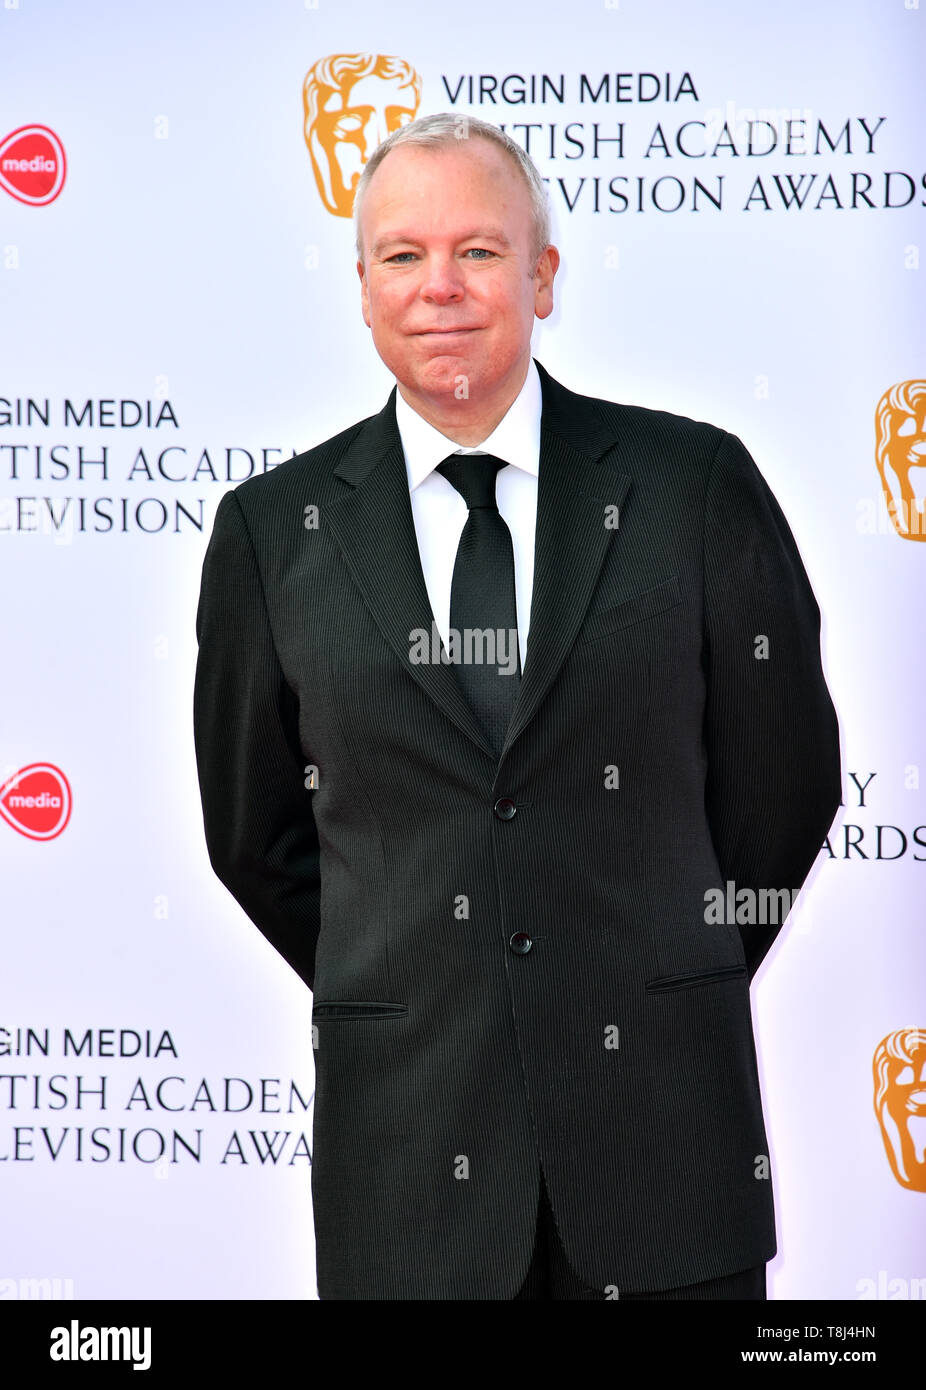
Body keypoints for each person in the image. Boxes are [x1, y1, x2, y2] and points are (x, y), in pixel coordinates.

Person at [193, 112, 841, 1300]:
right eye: (401, 255)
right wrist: (431, 973)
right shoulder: (271, 533)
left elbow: (780, 787)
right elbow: (257, 837)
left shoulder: (690, 488)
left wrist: (649, 963)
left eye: (479, 251)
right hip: (407, 1169)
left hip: (665, 1152)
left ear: (542, 275)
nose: (438, 286)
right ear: (360, 288)